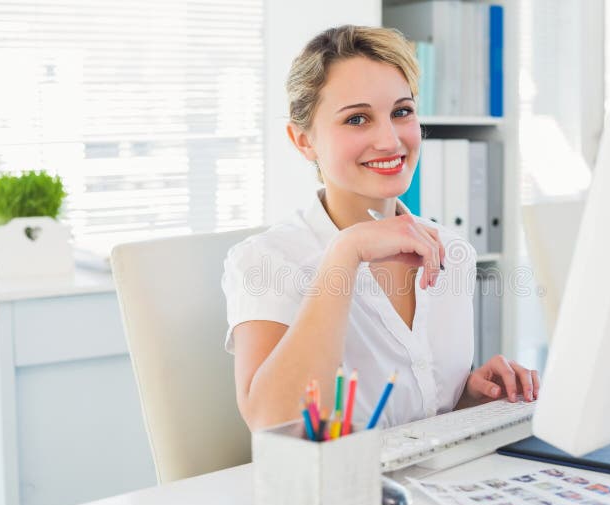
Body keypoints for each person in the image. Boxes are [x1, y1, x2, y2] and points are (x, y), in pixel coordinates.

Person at [222, 25, 539, 431]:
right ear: (303, 141)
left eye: (401, 112)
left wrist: (470, 398)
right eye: (357, 119)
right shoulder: (267, 260)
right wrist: (347, 251)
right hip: (334, 489)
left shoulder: (452, 251)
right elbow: (274, 422)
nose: (390, 140)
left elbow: (416, 420)